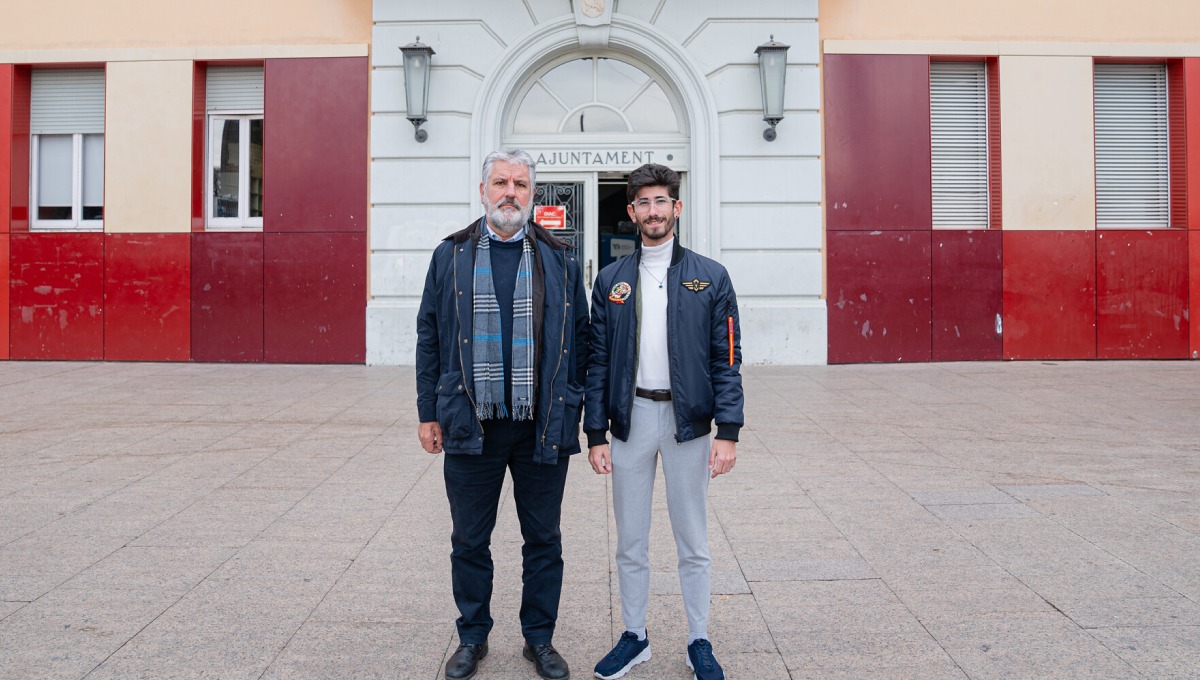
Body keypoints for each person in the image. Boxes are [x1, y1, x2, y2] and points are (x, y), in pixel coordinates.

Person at [416, 148, 590, 680]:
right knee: (470, 539)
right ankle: (472, 637)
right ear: (483, 190)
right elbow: (430, 334)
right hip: (471, 425)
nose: (509, 192)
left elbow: (580, 337)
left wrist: (574, 403)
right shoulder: (450, 254)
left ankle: (539, 638)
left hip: (541, 426)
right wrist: (429, 411)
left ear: (532, 195)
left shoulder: (559, 255)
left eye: (519, 184)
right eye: (500, 182)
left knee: (544, 540)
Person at [584, 163, 744, 680]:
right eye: (643, 203)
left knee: (692, 539)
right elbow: (598, 360)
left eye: (662, 202)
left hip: (688, 423)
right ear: (631, 212)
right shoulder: (611, 281)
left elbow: (727, 358)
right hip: (630, 420)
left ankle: (700, 639)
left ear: (677, 208)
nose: (653, 211)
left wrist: (729, 431)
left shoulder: (710, 276)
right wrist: (594, 433)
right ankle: (635, 635)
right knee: (630, 540)